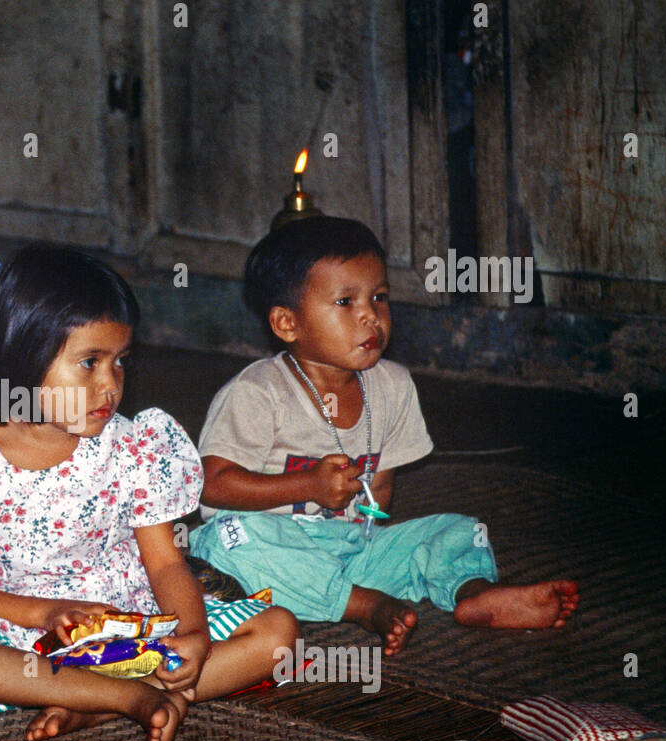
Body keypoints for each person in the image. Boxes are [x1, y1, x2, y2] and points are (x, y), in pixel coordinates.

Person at [0, 244, 298, 741]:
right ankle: (130, 699)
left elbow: (167, 563)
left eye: (120, 361)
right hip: (30, 640)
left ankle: (104, 701)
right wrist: (44, 612)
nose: (110, 385)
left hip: (136, 623)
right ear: (23, 354)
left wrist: (191, 634)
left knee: (278, 633)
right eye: (89, 362)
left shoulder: (131, 446)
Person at [190, 216, 579, 655]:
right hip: (273, 544)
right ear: (287, 323)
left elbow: (382, 488)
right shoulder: (257, 392)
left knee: (458, 530)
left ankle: (471, 593)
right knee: (228, 542)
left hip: (354, 550)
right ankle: (364, 606)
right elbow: (212, 483)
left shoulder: (393, 386)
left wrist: (371, 517)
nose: (370, 316)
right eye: (345, 301)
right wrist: (308, 486)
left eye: (379, 298)